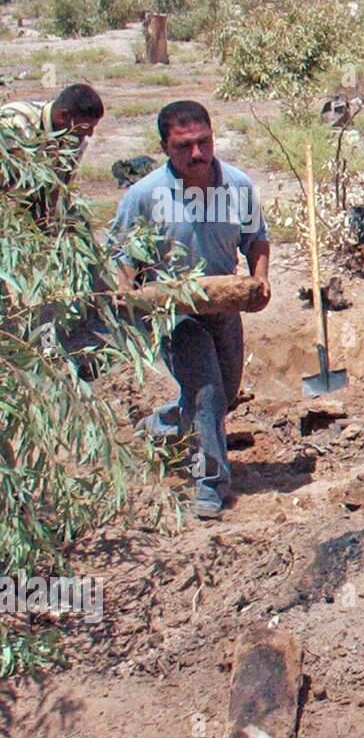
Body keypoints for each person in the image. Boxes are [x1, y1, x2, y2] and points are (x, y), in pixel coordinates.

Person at [110, 101, 271, 520]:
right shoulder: (144, 196)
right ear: (165, 147)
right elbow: (123, 253)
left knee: (226, 394)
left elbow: (256, 237)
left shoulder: (237, 185)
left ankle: (162, 424)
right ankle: (210, 485)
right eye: (184, 146)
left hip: (222, 304)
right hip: (173, 313)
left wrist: (260, 279)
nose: (197, 153)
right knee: (206, 393)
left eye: (204, 142)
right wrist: (126, 291)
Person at [0, 82, 103, 228]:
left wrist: (49, 225)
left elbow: (58, 188)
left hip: (29, 200)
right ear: (64, 116)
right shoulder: (16, 122)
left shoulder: (74, 139)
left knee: (79, 225)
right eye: (87, 126)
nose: (90, 134)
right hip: (9, 196)